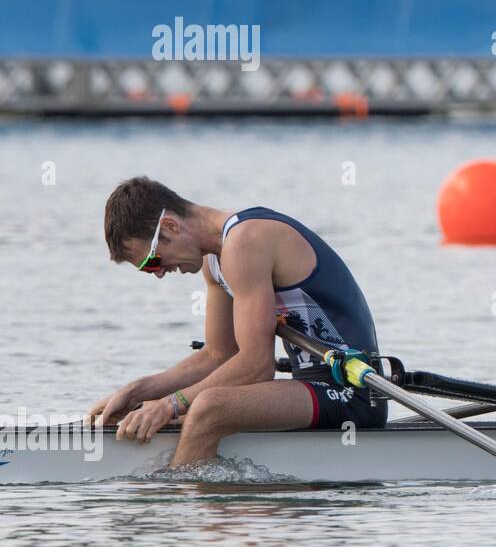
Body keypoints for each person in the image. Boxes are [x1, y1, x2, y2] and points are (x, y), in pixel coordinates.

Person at [87, 177, 386, 465]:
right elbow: (219, 355)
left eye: (152, 260)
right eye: (145, 269)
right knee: (163, 409)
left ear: (170, 226)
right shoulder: (213, 260)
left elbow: (257, 366)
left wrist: (170, 404)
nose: (158, 272)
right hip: (310, 386)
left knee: (206, 408)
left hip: (354, 391)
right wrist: (138, 392)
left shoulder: (245, 242)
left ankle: (182, 499)